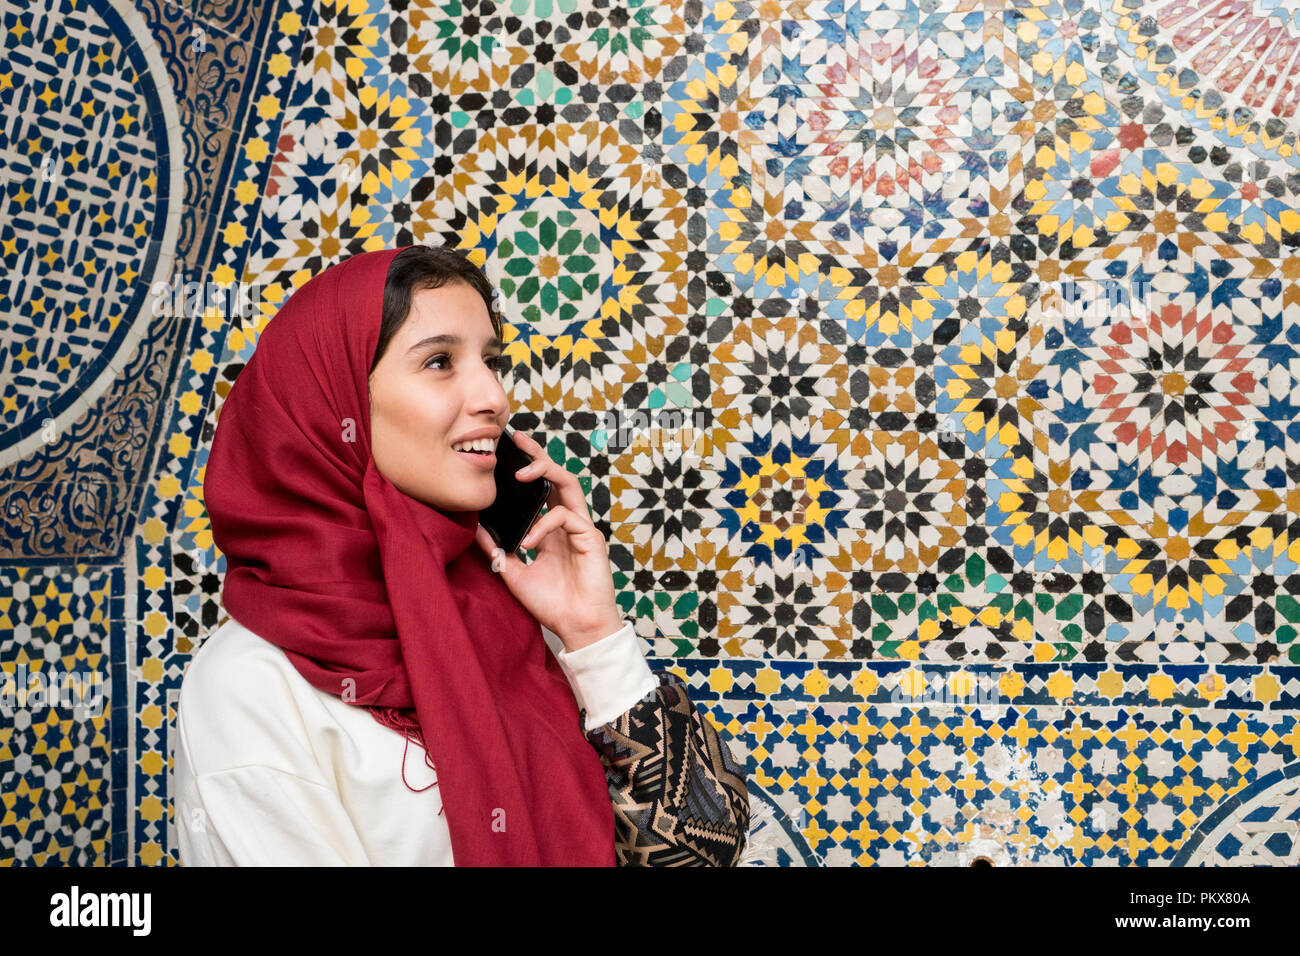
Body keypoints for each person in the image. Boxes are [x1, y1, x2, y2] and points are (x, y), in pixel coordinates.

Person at [174, 244, 751, 865]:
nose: (494, 397)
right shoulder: (250, 684)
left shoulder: (509, 622)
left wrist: (593, 633)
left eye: (491, 361)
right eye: (441, 361)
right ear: (337, 401)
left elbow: (701, 854)